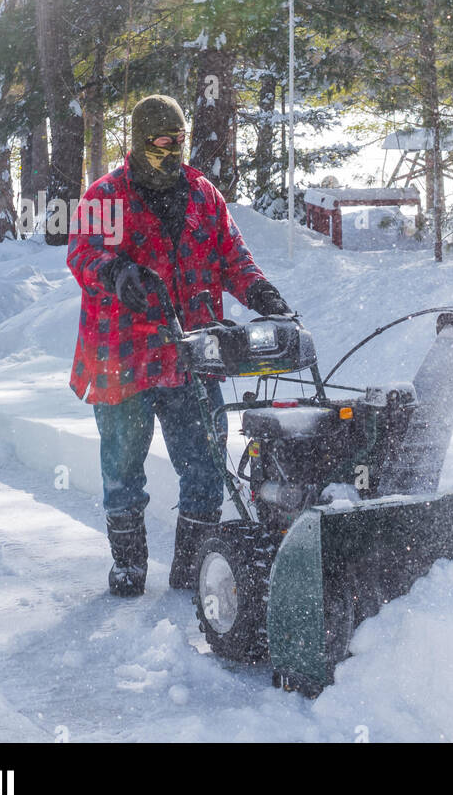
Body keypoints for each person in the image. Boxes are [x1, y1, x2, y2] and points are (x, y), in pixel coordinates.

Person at [66, 95, 292, 596]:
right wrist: (118, 272)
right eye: (160, 142)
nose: (171, 151)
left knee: (207, 465)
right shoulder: (106, 196)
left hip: (193, 352)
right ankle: (128, 565)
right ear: (140, 140)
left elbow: (233, 257)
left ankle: (192, 569)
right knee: (124, 468)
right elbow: (82, 254)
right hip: (124, 354)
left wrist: (260, 292)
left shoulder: (202, 194)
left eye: (178, 141)